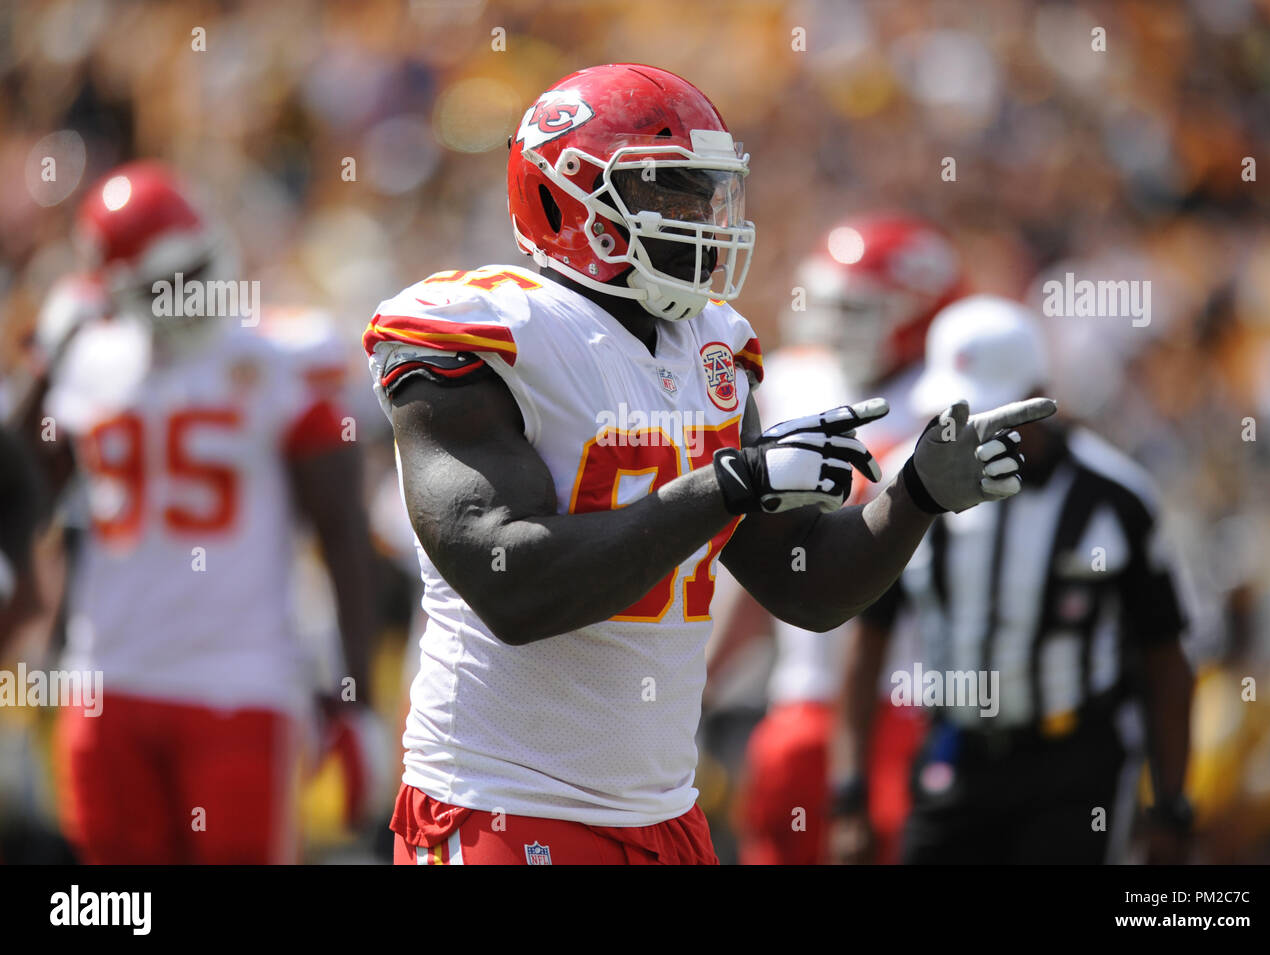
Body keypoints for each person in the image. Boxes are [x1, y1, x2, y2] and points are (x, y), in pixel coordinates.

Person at [365, 63, 1055, 866]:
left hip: (665, 810)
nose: (699, 215)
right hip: (504, 802)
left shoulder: (713, 347)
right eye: (670, 191)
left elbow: (806, 582)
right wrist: (726, 483)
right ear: (565, 196)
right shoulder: (486, 333)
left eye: (707, 191)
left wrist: (914, 496)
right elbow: (510, 585)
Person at [12, 160, 377, 863]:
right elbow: (21, 499)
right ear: (115, 289)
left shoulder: (280, 354)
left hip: (240, 681)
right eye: (160, 284)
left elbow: (342, 529)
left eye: (196, 269)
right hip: (108, 677)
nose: (188, 294)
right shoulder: (90, 358)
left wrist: (355, 691)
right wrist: (43, 365)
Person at [834, 296, 1195, 864]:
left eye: (992, 412)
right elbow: (866, 639)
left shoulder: (1115, 498)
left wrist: (1170, 804)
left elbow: (1165, 657)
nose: (975, 432)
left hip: (1073, 765)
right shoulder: (907, 489)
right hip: (954, 751)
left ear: (1036, 399)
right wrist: (849, 792)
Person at [706, 214, 965, 864]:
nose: (837, 326)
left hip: (917, 698)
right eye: (835, 307)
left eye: (860, 309)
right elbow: (766, 556)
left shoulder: (949, 404)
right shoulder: (792, 384)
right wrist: (705, 679)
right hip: (803, 692)